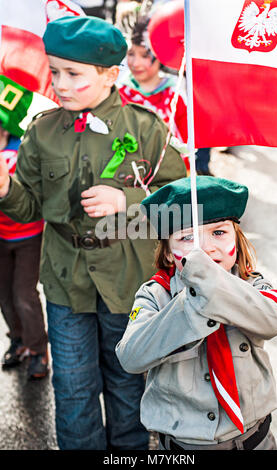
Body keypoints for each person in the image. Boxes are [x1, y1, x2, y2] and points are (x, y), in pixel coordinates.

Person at [0, 16, 186, 450]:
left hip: (127, 281)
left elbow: (181, 206)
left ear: (110, 74)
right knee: (74, 390)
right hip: (67, 281)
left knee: (128, 388)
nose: (60, 84)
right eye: (55, 71)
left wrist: (129, 202)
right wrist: (7, 189)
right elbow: (29, 207)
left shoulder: (146, 129)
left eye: (74, 74)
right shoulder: (43, 131)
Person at [116, 175, 277, 450]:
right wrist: (191, 304)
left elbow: (272, 320)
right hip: (185, 447)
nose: (206, 248)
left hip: (256, 441)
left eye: (218, 232)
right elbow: (131, 357)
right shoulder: (155, 295)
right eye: (187, 237)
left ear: (236, 241)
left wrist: (216, 288)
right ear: (167, 254)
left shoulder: (253, 285)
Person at [0, 120, 48, 379]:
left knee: (23, 294)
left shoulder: (22, 146)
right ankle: (18, 340)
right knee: (5, 295)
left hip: (28, 233)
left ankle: (39, 348)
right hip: (1, 237)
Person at [118, 14, 188, 150]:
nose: (135, 63)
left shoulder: (174, 93)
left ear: (159, 55)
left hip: (168, 167)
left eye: (145, 55)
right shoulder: (120, 93)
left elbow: (186, 138)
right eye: (131, 54)